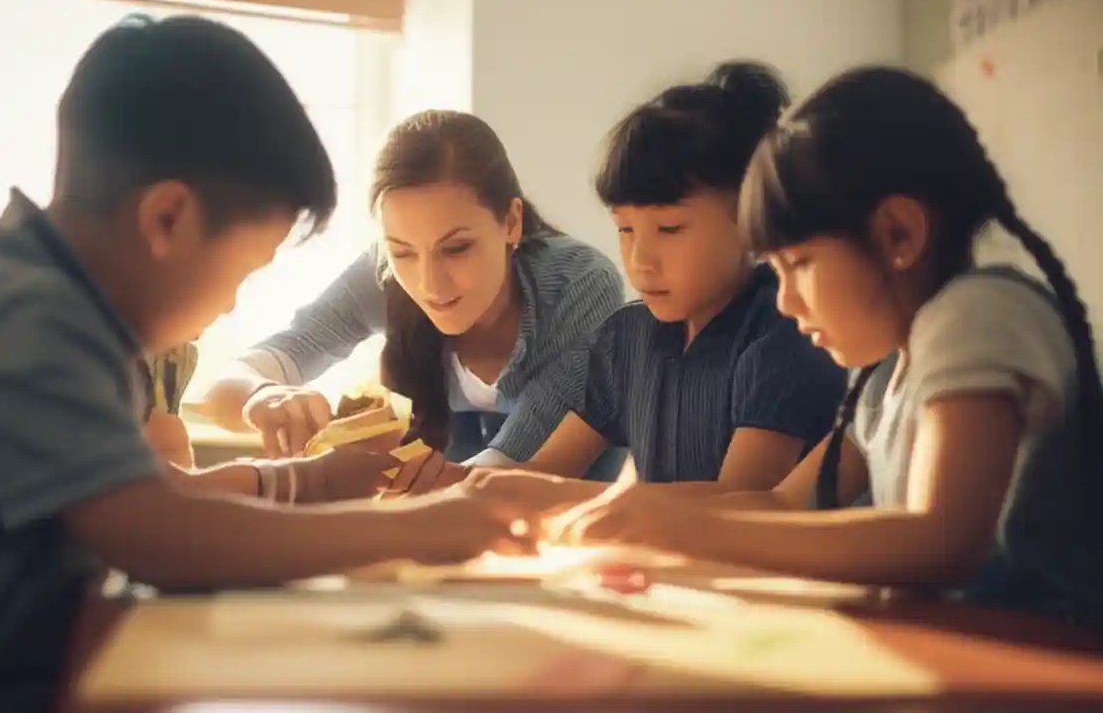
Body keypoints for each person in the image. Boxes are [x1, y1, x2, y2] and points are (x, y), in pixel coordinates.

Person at [0, 17, 523, 712]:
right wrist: (416, 529)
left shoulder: (45, 296)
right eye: (244, 270)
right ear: (167, 219)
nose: (228, 306)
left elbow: (157, 492)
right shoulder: (23, 316)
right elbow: (158, 537)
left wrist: (312, 480)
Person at [556, 67, 1103, 631]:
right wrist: (645, 514)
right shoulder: (884, 375)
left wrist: (687, 529)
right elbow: (783, 505)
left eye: (800, 265)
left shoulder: (975, 314)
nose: (787, 302)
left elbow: (939, 541)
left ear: (898, 235)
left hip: (1055, 662)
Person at [463, 63, 845, 509]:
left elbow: (740, 501)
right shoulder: (627, 337)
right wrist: (460, 484)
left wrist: (555, 496)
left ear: (750, 218)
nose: (640, 261)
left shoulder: (785, 330)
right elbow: (543, 472)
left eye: (668, 228)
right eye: (625, 230)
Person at [203, 110, 624, 473]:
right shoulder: (380, 276)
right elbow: (222, 388)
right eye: (402, 251)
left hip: (581, 536)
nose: (429, 284)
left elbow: (518, 461)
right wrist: (263, 396)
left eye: (457, 248)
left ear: (511, 222)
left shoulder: (579, 283)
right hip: (447, 537)